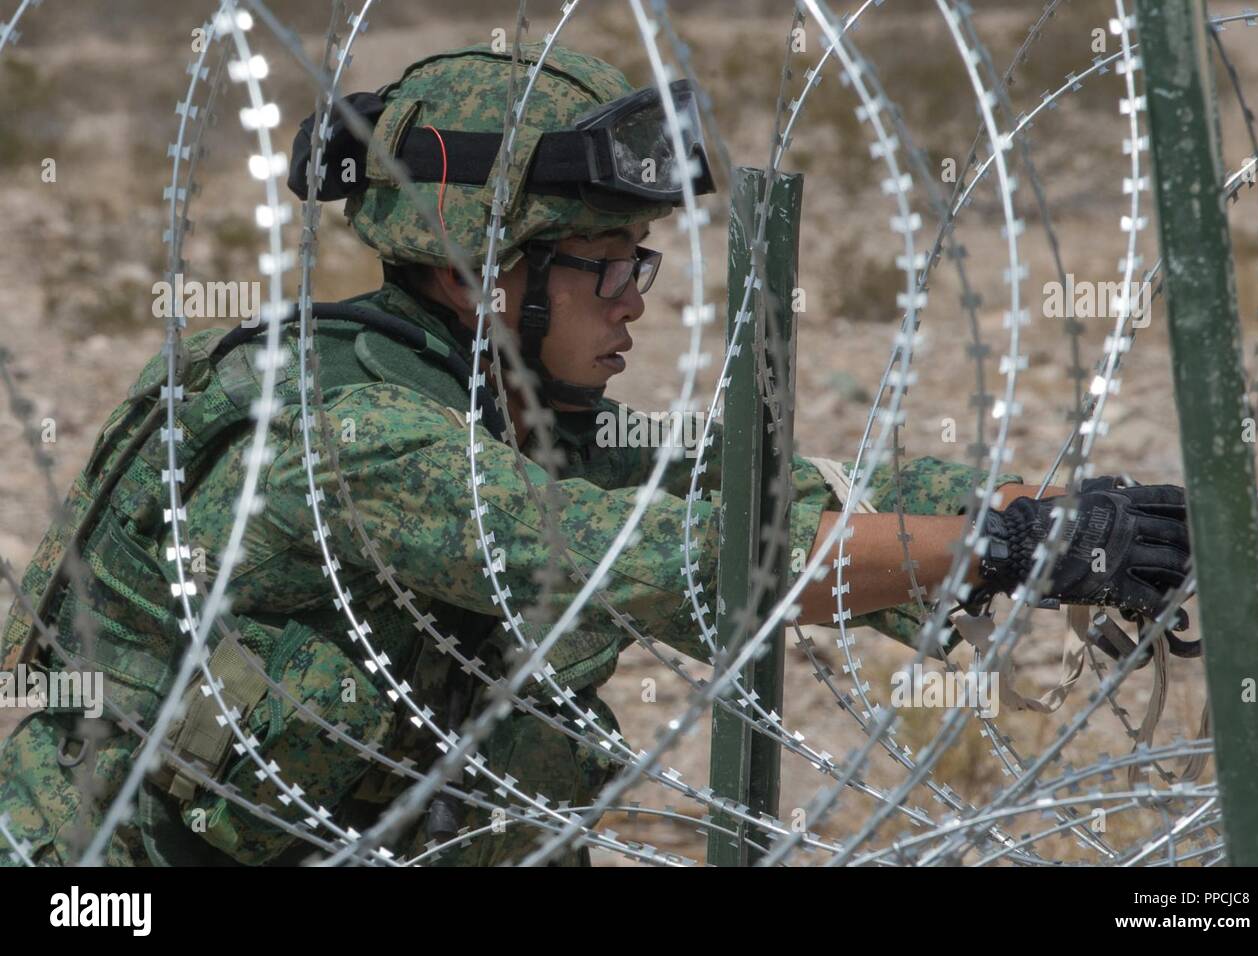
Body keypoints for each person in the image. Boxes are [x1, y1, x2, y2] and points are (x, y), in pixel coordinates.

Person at [0, 42, 1191, 867]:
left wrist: (1046, 512)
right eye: (602, 267)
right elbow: (681, 559)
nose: (632, 302)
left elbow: (736, 486)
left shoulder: (503, 403)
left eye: (643, 265)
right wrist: (1000, 552)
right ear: (481, 267)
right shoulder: (362, 437)